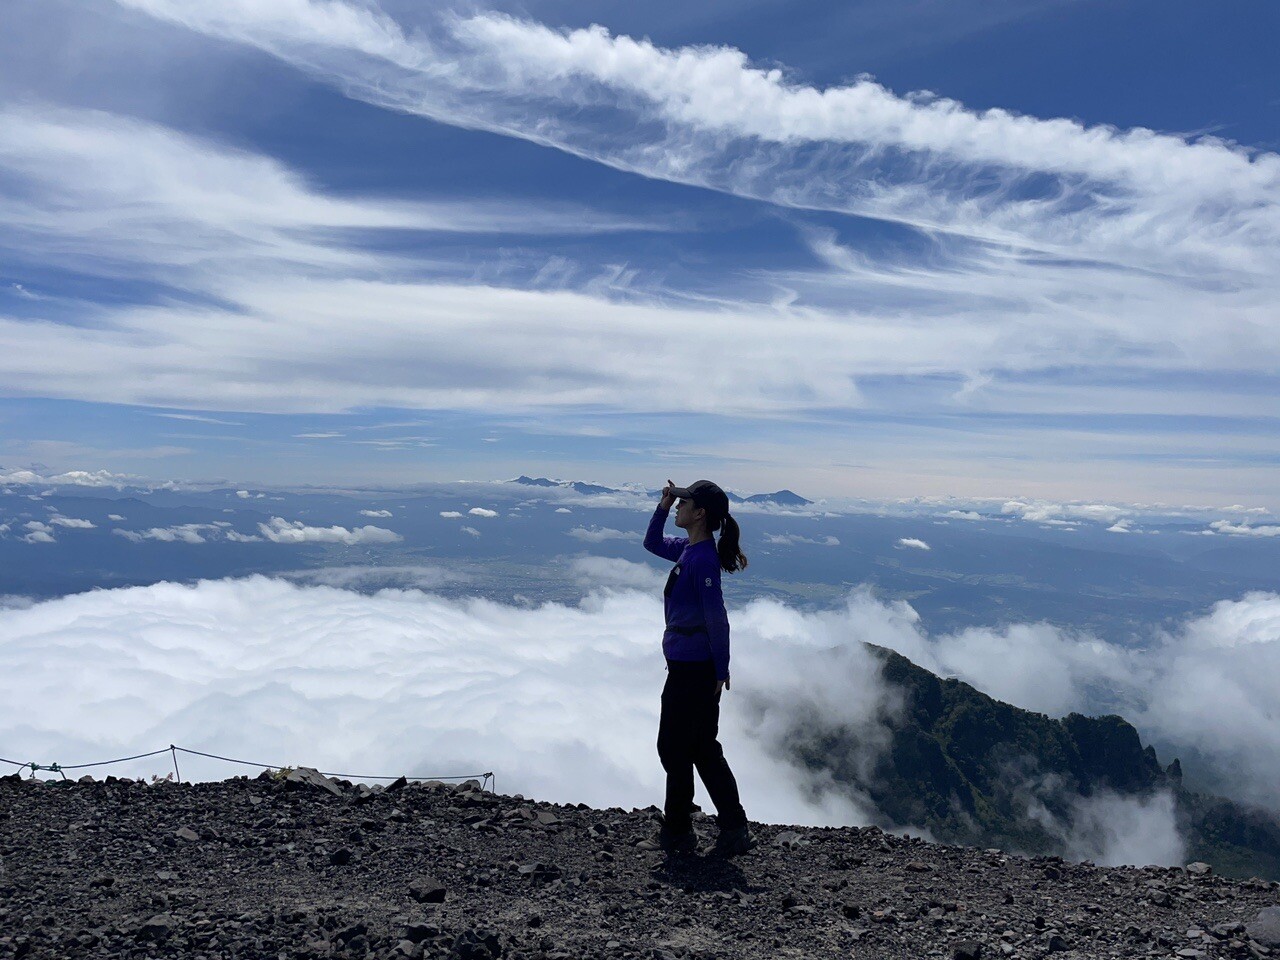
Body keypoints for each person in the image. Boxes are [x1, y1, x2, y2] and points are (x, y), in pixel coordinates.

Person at [639, 479, 754, 857]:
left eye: (683, 503)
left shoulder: (702, 561)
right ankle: (722, 826)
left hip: (695, 671)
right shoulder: (690, 550)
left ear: (700, 513)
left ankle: (681, 829)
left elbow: (716, 618)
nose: (677, 508)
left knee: (680, 747)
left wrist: (720, 671)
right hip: (688, 668)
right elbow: (651, 543)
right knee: (696, 748)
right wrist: (661, 505)